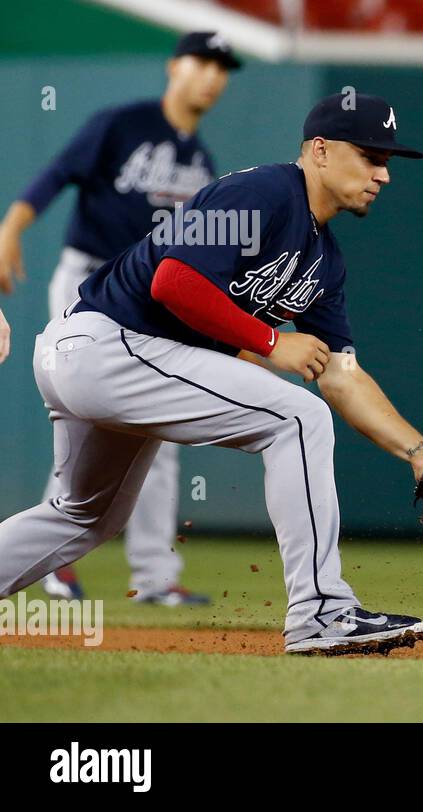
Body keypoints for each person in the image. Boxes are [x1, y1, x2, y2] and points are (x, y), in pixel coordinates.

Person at [0, 92, 423, 656]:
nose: (382, 174)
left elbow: (341, 376)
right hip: (107, 344)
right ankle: (320, 611)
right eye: (370, 156)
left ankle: (321, 609)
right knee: (298, 416)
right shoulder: (263, 192)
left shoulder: (326, 261)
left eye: (387, 162)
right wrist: (270, 342)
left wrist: (420, 452)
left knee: (84, 516)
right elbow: (173, 282)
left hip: (102, 359)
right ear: (319, 151)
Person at [0, 31, 241, 605]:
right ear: (175, 65)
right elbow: (58, 174)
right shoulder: (122, 123)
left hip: (145, 300)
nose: (212, 74)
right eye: (202, 60)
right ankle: (56, 562)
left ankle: (155, 577)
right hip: (85, 282)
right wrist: (12, 228)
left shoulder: (200, 159)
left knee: (160, 428)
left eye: (222, 66)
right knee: (83, 418)